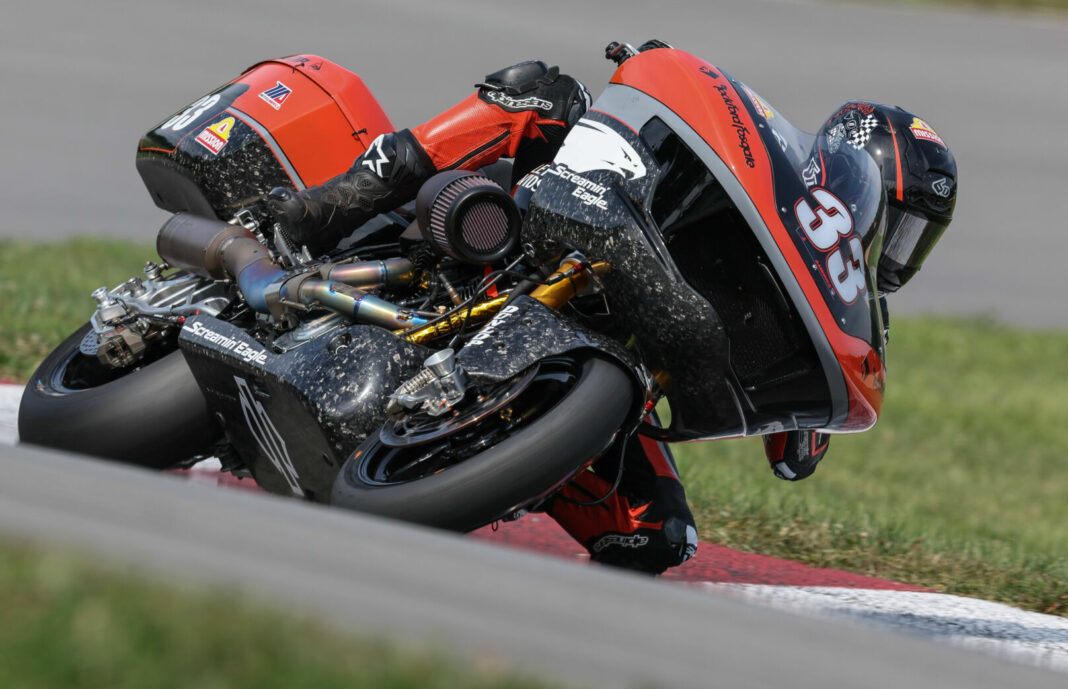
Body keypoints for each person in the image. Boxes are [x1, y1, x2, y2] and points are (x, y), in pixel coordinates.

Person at [268, 44, 957, 575]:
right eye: (899, 222)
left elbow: (794, 455)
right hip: (560, 224)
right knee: (541, 93)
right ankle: (320, 213)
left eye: (913, 239)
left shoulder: (846, 320)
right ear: (842, 170)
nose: (894, 246)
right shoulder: (772, 176)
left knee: (656, 537)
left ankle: (478, 457)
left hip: (627, 360)